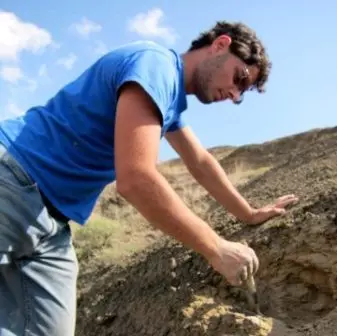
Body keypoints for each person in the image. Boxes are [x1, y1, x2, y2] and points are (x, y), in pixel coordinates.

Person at [0, 20, 298, 335]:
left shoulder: (169, 100)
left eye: (242, 93)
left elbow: (199, 161)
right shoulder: (154, 65)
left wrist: (249, 213)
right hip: (14, 179)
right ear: (221, 44)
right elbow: (136, 179)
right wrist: (216, 248)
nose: (235, 94)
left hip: (51, 221)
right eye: (239, 78)